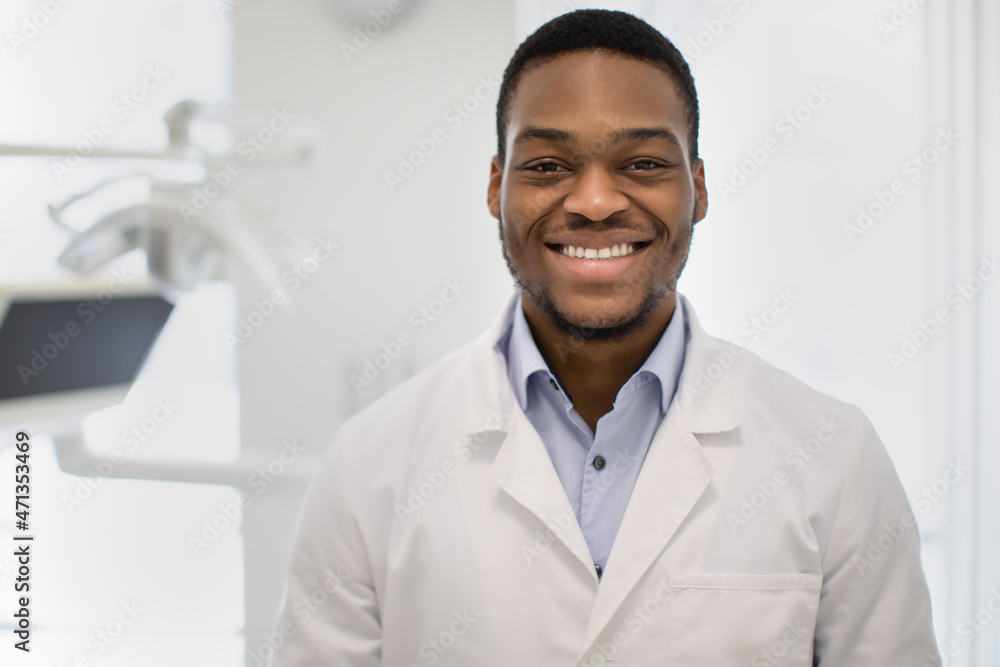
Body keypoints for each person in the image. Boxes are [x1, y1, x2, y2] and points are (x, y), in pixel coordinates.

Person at [271, 9, 940, 666]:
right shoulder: (369, 466)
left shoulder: (835, 459)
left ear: (698, 188)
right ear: (496, 185)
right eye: (547, 166)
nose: (594, 201)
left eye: (643, 163)